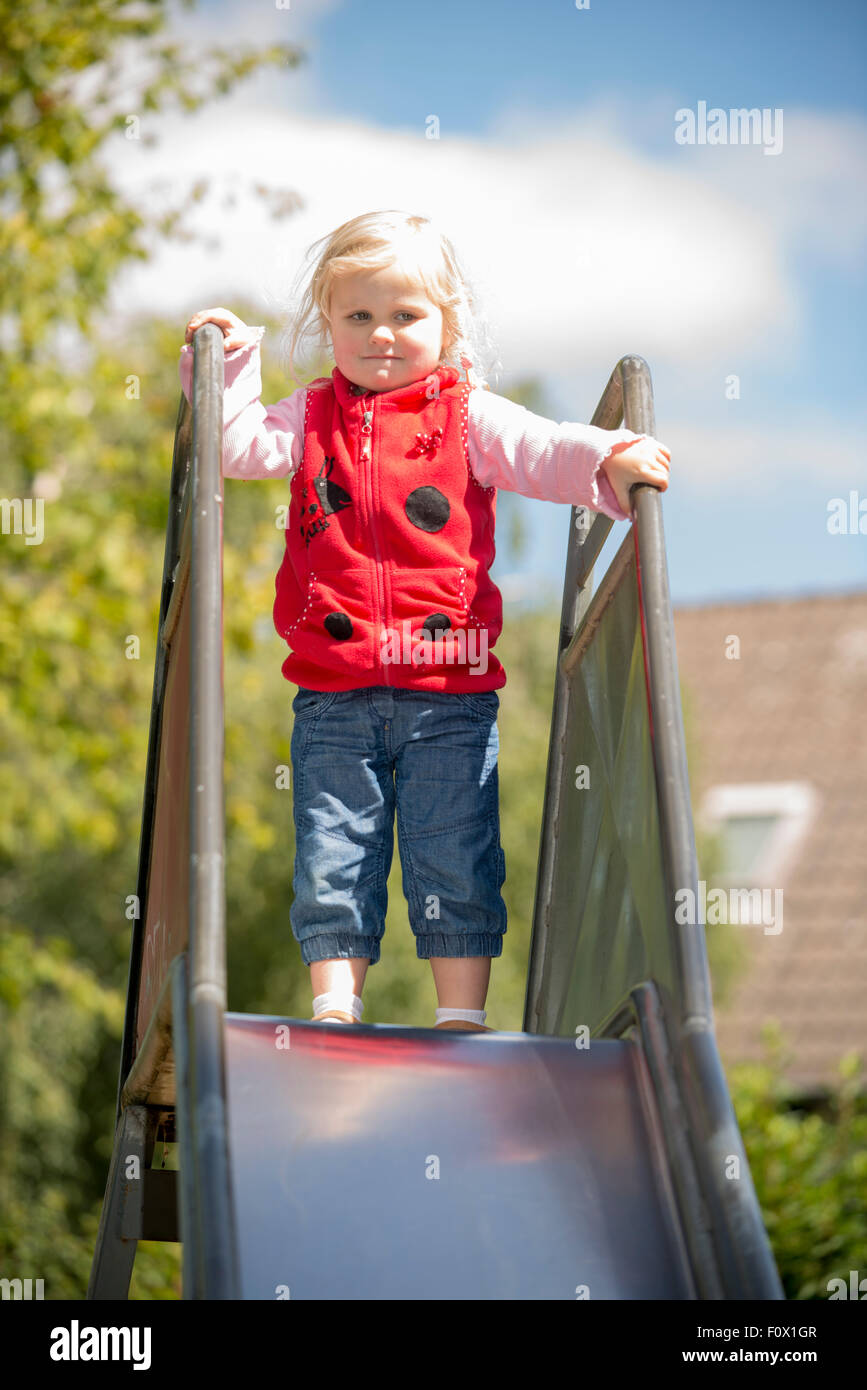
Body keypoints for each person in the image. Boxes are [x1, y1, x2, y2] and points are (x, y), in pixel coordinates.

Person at [179, 209, 670, 1032]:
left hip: (448, 691)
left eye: (405, 316)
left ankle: (459, 1014)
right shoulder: (309, 419)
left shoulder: (467, 415)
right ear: (328, 323)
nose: (381, 335)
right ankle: (335, 1005)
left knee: (454, 849)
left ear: (446, 322)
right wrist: (228, 362)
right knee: (333, 853)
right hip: (333, 694)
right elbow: (234, 450)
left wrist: (605, 456)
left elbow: (542, 449)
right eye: (358, 316)